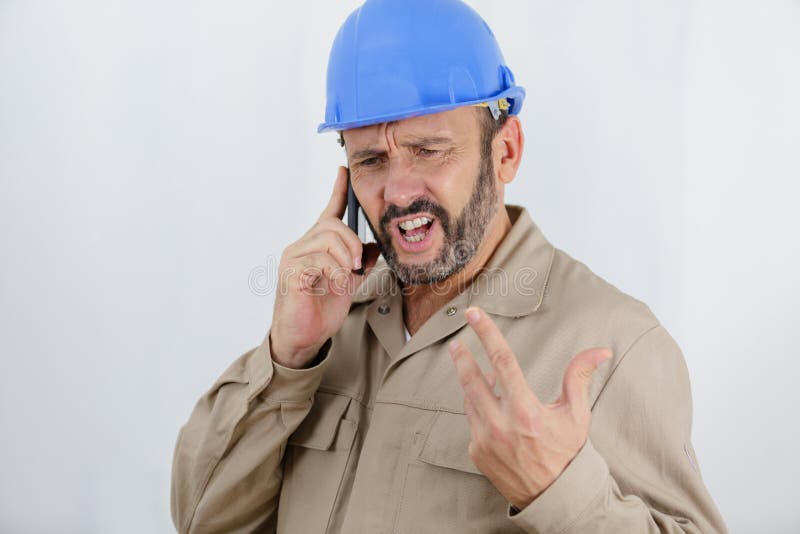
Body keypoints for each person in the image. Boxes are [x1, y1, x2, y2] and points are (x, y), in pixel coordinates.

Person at [170, 1, 727, 532]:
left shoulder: (615, 343)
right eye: (370, 160)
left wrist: (559, 492)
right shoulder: (327, 325)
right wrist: (286, 360)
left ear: (505, 151)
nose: (399, 191)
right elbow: (202, 521)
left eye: (429, 150)